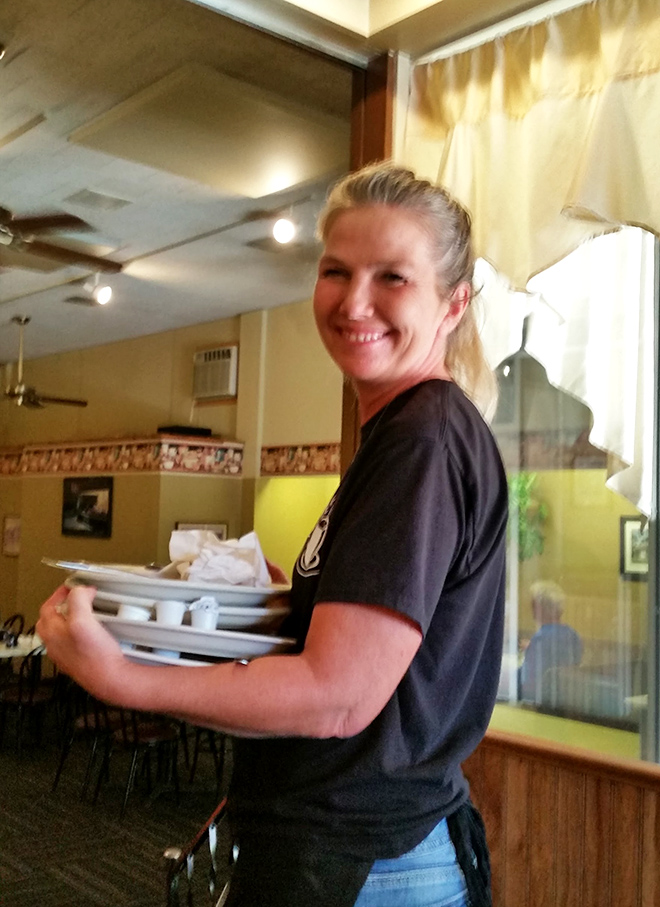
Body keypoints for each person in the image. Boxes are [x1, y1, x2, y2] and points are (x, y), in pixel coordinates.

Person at [37, 163, 508, 907]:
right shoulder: (408, 434)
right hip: (364, 846)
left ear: (453, 304)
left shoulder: (421, 438)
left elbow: (338, 698)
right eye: (336, 270)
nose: (355, 301)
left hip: (364, 860)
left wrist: (117, 678)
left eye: (392, 277)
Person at [519, 580, 583, 703]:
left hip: (540, 704)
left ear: (541, 608)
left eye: (533, 604)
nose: (531, 609)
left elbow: (528, 684)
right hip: (565, 701)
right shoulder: (573, 635)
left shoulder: (541, 640)